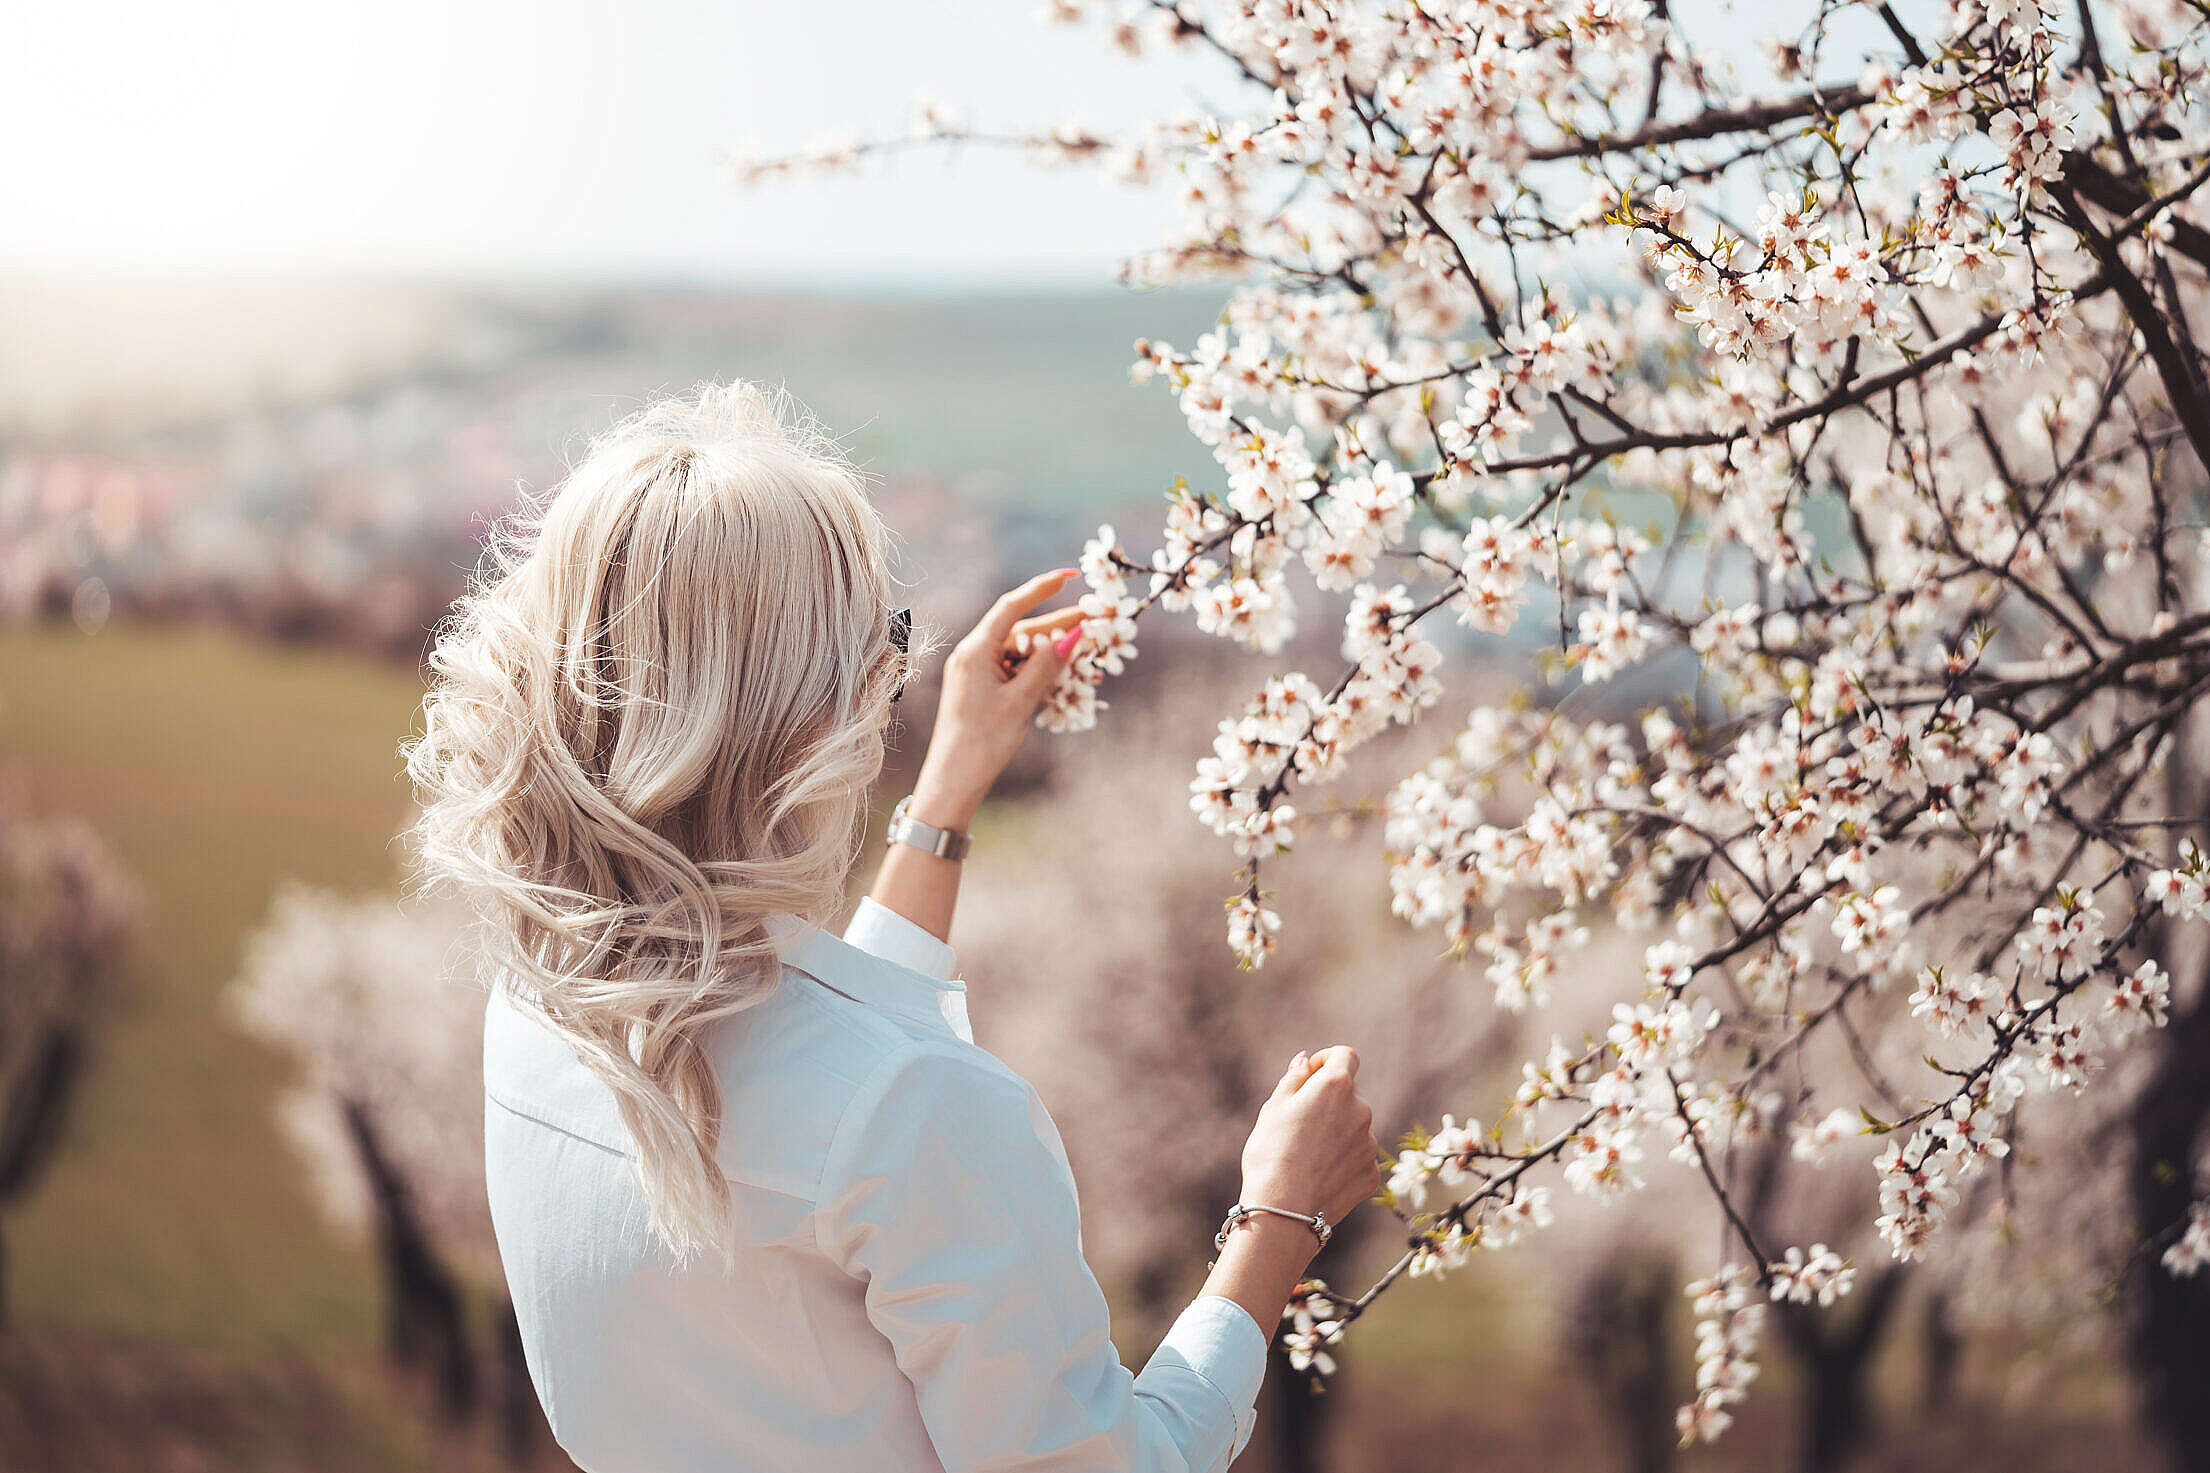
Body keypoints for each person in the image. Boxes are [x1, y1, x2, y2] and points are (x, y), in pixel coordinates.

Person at [405, 382, 1381, 1472]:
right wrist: (1278, 1219)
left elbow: (808, 1077)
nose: (894, 677)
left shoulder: (542, 1000)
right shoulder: (919, 1111)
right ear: (800, 713)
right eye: (881, 640)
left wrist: (949, 783)